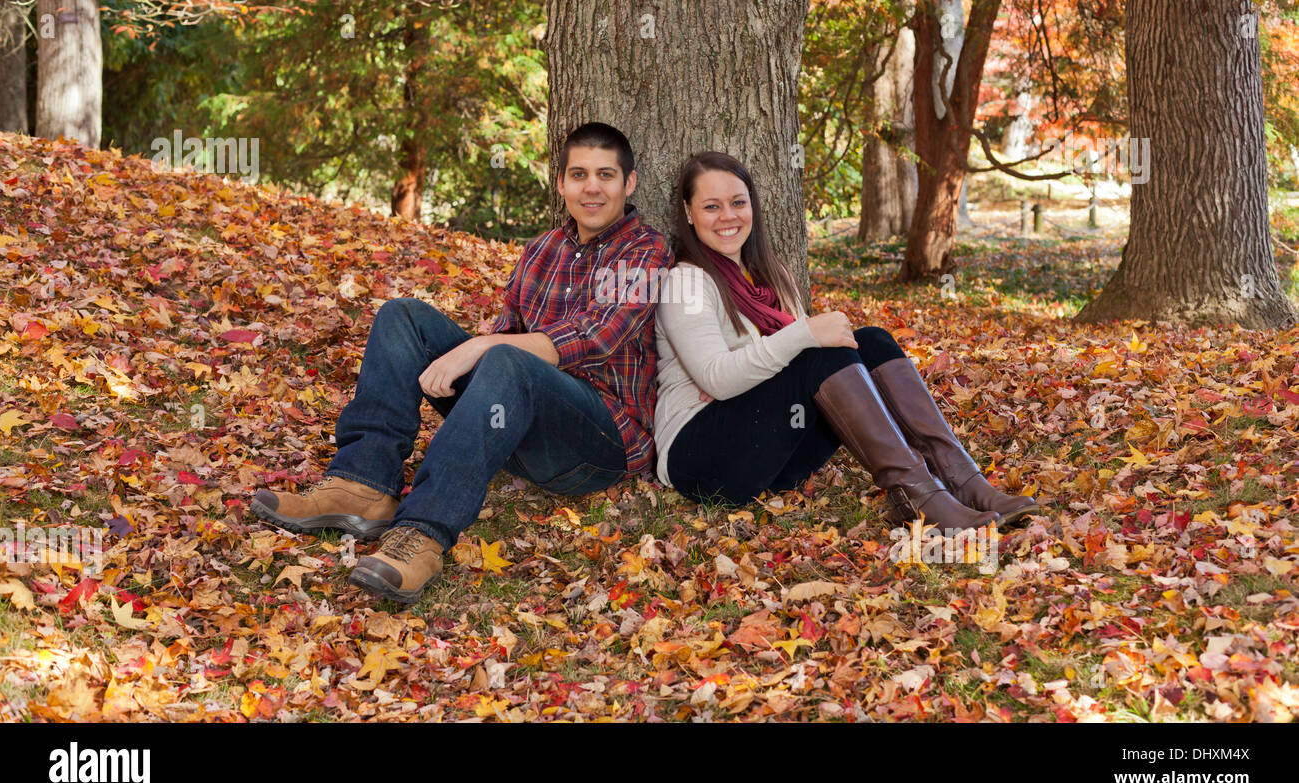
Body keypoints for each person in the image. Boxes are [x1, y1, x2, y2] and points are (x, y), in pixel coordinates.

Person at [250, 123, 672, 603]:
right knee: (402, 316)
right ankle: (362, 485)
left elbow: (596, 338)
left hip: (597, 445)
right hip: (518, 423)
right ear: (561, 183)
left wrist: (480, 347)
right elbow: (506, 339)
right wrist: (485, 348)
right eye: (578, 174)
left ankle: (423, 535)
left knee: (505, 357)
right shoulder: (542, 249)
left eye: (605, 175)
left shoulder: (645, 251)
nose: (591, 187)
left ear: (629, 183)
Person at [653, 151, 1039, 532]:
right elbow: (721, 380)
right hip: (702, 459)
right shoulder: (686, 283)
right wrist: (791, 341)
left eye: (738, 202)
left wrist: (747, 373)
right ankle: (919, 497)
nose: (728, 216)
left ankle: (963, 481)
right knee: (820, 354)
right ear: (689, 213)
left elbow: (769, 372)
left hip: (768, 456)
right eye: (711, 206)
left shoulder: (771, 275)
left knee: (870, 341)